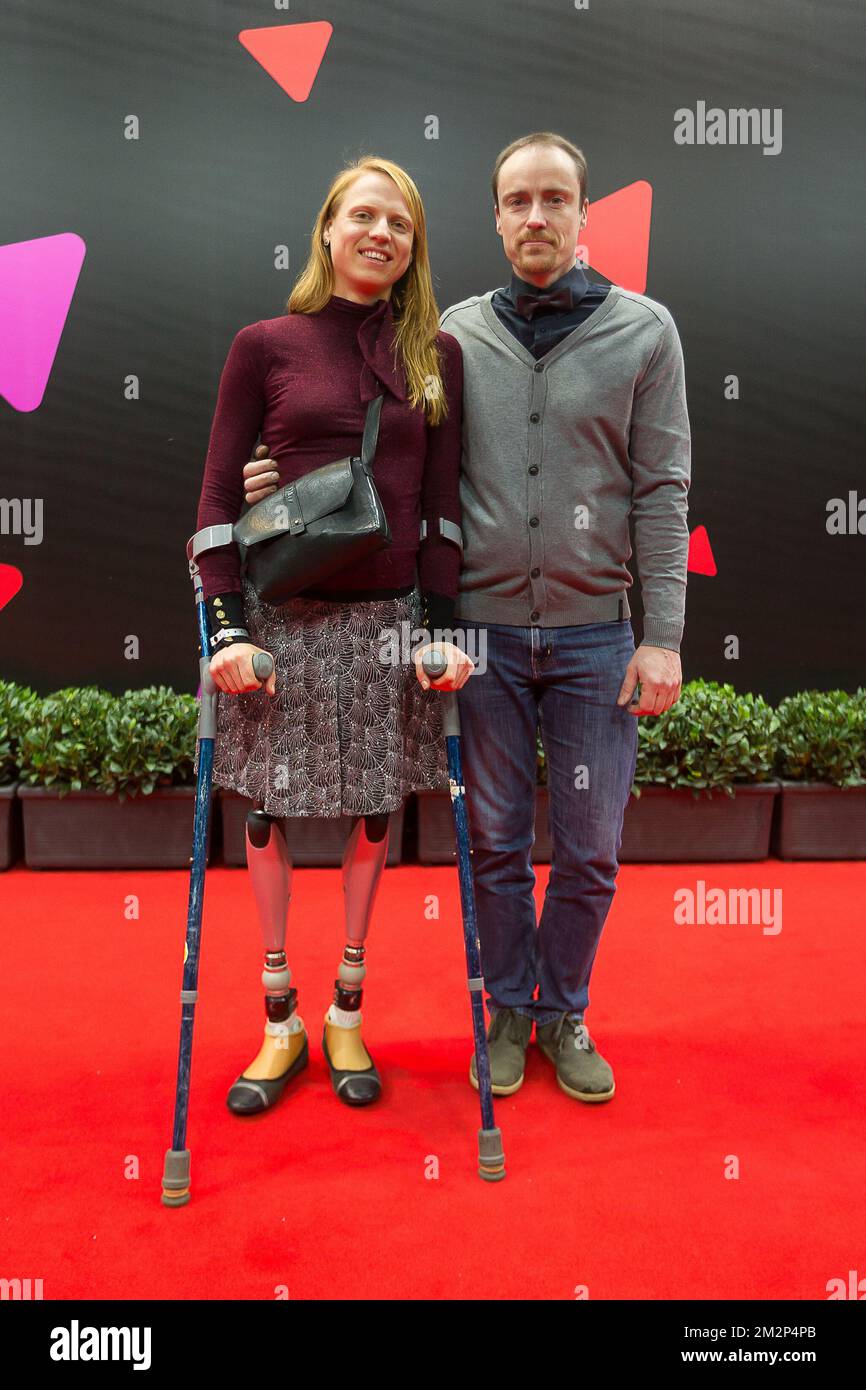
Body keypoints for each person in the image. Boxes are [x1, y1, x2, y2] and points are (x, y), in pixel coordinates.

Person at [243, 132, 692, 1110]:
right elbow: (388, 466)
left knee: (587, 846)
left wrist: (661, 636)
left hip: (593, 633)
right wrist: (275, 478)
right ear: (494, 217)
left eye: (555, 200)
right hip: (477, 634)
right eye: (517, 201)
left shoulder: (645, 332)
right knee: (489, 841)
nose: (536, 217)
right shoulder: (444, 336)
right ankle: (499, 1009)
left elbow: (661, 490)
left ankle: (560, 1009)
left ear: (582, 214)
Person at [193, 156, 473, 1116]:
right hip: (277, 625)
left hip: (388, 625)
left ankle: (348, 1011)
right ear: (327, 228)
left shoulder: (437, 353)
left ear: (413, 247)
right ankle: (280, 1020)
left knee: (371, 815)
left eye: (400, 224)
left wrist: (441, 631)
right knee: (266, 815)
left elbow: (441, 514)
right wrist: (224, 627)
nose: (380, 234)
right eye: (363, 215)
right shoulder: (263, 344)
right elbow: (219, 500)